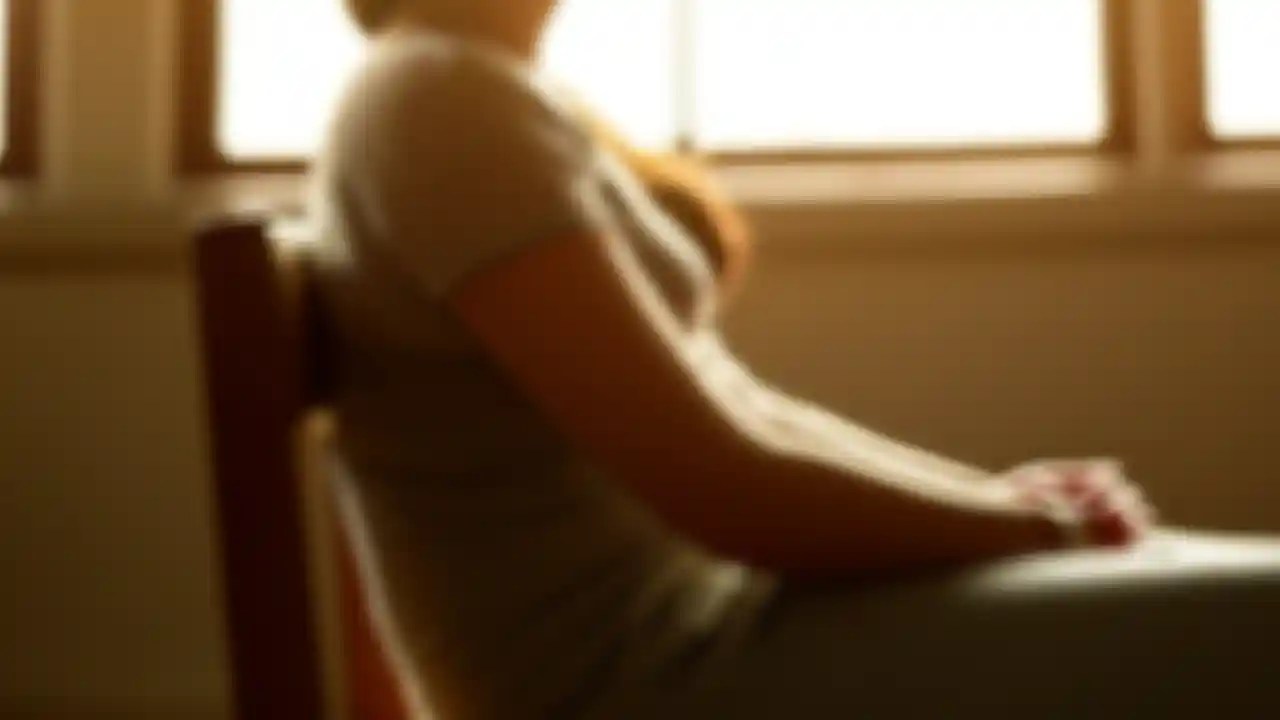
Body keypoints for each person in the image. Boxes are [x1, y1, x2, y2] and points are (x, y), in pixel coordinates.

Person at [310, 1, 1280, 717]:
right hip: (642, 682)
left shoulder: (480, 89)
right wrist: (1028, 533)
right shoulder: (440, 100)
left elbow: (735, 412)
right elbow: (723, 488)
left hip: (712, 635)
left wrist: (1002, 507)